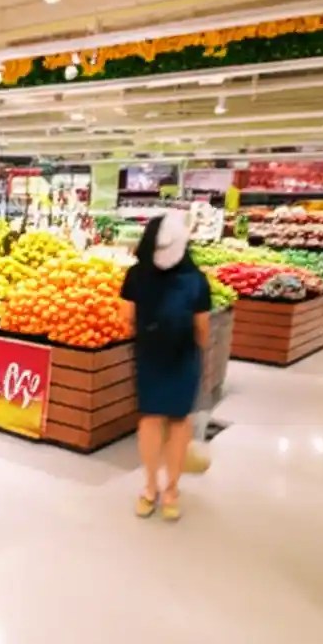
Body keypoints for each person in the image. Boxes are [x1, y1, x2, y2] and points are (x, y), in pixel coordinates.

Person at [120, 212, 211, 522]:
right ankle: (171, 490)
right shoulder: (197, 280)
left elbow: (126, 318)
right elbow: (202, 328)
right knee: (178, 420)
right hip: (184, 355)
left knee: (150, 418)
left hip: (149, 353)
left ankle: (149, 488)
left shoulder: (135, 275)